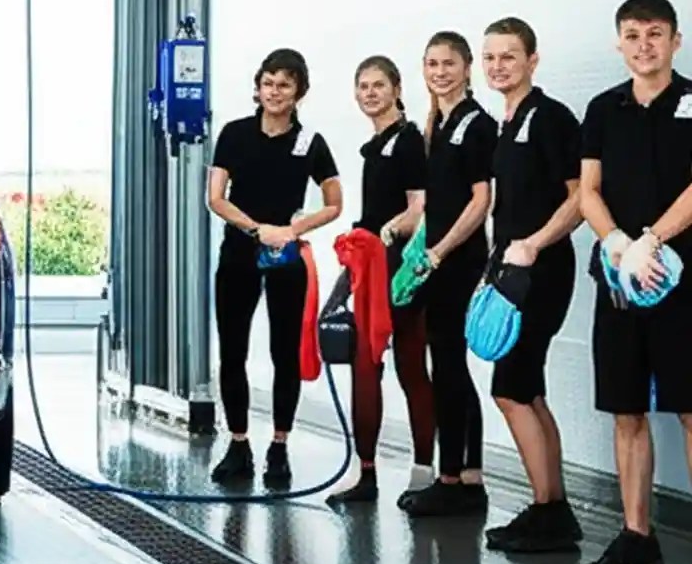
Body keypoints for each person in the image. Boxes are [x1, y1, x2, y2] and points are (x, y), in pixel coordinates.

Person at [579, 0, 690, 564]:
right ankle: (636, 537)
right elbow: (587, 190)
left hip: (683, 279)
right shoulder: (602, 108)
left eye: (654, 34)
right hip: (621, 279)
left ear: (675, 40)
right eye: (631, 34)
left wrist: (655, 238)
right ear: (617, 43)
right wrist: (619, 244)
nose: (643, 45)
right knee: (626, 408)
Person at [207, 48, 344, 486]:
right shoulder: (233, 134)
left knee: (285, 353)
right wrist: (255, 230)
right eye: (268, 83)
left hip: (286, 258)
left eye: (284, 84)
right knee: (233, 350)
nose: (275, 92)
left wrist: (292, 228)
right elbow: (216, 197)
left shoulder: (310, 143)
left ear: (299, 91)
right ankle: (239, 443)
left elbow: (335, 203)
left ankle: (280, 445)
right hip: (239, 254)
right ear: (257, 87)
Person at [476, 17, 584, 552]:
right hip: (511, 270)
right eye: (490, 57)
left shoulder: (551, 118)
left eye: (509, 56)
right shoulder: (508, 120)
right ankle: (552, 507)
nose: (498, 66)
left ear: (532, 61)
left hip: (541, 271)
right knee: (529, 391)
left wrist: (534, 244)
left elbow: (580, 197)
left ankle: (550, 512)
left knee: (509, 390)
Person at [326, 55, 436, 504]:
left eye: (378, 85)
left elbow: (419, 208)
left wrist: (390, 232)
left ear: (396, 89)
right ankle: (364, 472)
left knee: (411, 366)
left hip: (401, 268)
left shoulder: (408, 141)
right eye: (363, 86)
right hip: (368, 266)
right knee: (364, 367)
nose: (370, 93)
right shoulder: (376, 146)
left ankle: (424, 472)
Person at [399, 31, 496, 517]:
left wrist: (440, 251)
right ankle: (463, 477)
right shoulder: (437, 123)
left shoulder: (476, 124)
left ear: (466, 68)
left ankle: (455, 479)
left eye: (449, 64)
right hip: (435, 259)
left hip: (458, 260)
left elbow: (481, 200)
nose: (440, 72)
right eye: (432, 63)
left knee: (451, 368)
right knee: (448, 368)